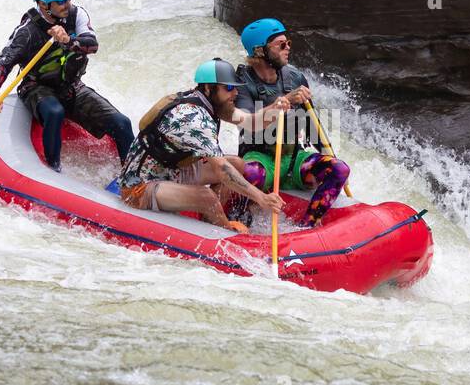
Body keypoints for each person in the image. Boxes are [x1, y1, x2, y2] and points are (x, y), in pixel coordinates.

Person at [0, 0, 134, 171]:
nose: (68, 5)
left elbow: (93, 46)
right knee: (55, 112)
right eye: (61, 2)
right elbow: (3, 63)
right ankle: (54, 169)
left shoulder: (77, 14)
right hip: (37, 87)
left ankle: (133, 177)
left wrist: (68, 40)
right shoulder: (27, 31)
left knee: (122, 123)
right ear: (44, 5)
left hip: (72, 86)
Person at [119, 59, 286, 233]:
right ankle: (224, 229)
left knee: (237, 164)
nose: (235, 93)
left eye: (235, 87)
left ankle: (209, 220)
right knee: (208, 197)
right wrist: (261, 198)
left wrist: (275, 109)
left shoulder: (212, 103)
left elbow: (251, 122)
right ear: (208, 88)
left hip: (171, 172)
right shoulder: (194, 119)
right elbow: (222, 170)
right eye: (228, 88)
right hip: (140, 187)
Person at [234, 18, 350, 226]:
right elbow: (247, 123)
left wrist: (328, 155)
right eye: (281, 45)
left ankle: (307, 226)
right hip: (261, 159)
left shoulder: (295, 77)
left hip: (294, 158)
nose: (288, 48)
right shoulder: (242, 83)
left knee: (339, 169)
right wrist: (284, 102)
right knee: (250, 174)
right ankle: (239, 218)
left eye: (288, 43)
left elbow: (311, 121)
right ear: (259, 51)